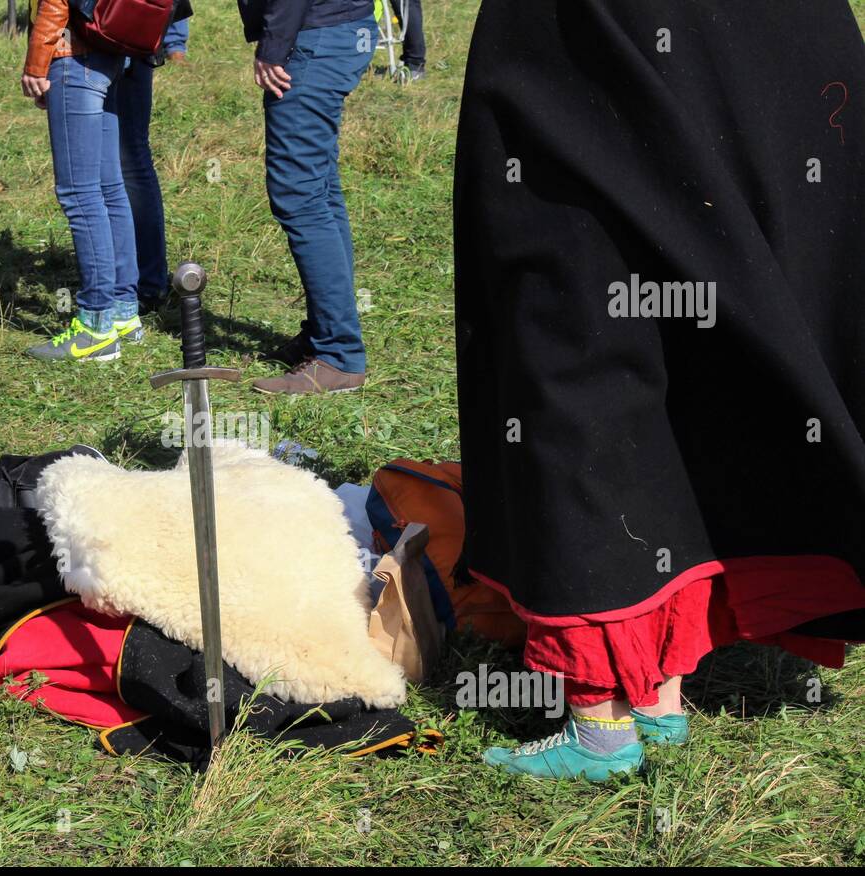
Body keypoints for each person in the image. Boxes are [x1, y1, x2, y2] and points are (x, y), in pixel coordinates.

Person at [455, 0, 865, 780]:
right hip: (768, 47)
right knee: (692, 343)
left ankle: (603, 721)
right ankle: (657, 688)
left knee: (575, 345)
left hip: (595, 43)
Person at [238, 0, 377, 395]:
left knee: (300, 196)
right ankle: (326, 333)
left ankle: (338, 354)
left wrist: (273, 47)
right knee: (319, 191)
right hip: (335, 28)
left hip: (313, 36)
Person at [22, 0, 142, 362]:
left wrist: (36, 64)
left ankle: (95, 327)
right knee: (108, 187)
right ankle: (123, 311)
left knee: (79, 192)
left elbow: (55, 2)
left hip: (74, 56)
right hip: (109, 54)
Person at [118, 1, 194, 317]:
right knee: (127, 156)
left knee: (127, 157)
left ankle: (140, 284)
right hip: (130, 29)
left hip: (113, 31)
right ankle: (135, 282)